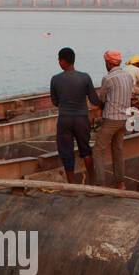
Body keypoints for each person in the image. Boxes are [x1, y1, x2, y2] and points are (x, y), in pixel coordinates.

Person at [49, 46, 101, 183]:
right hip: (82, 120)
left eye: (59, 60)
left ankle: (71, 187)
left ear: (63, 61)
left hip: (64, 119)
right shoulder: (85, 77)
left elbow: (55, 102)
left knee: (67, 152)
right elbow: (94, 100)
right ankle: (93, 182)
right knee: (86, 150)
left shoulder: (55, 79)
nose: (59, 63)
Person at [96, 50, 135, 189]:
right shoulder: (128, 76)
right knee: (118, 149)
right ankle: (120, 183)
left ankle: (100, 185)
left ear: (108, 62)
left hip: (112, 119)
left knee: (98, 150)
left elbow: (102, 99)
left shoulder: (108, 78)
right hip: (125, 118)